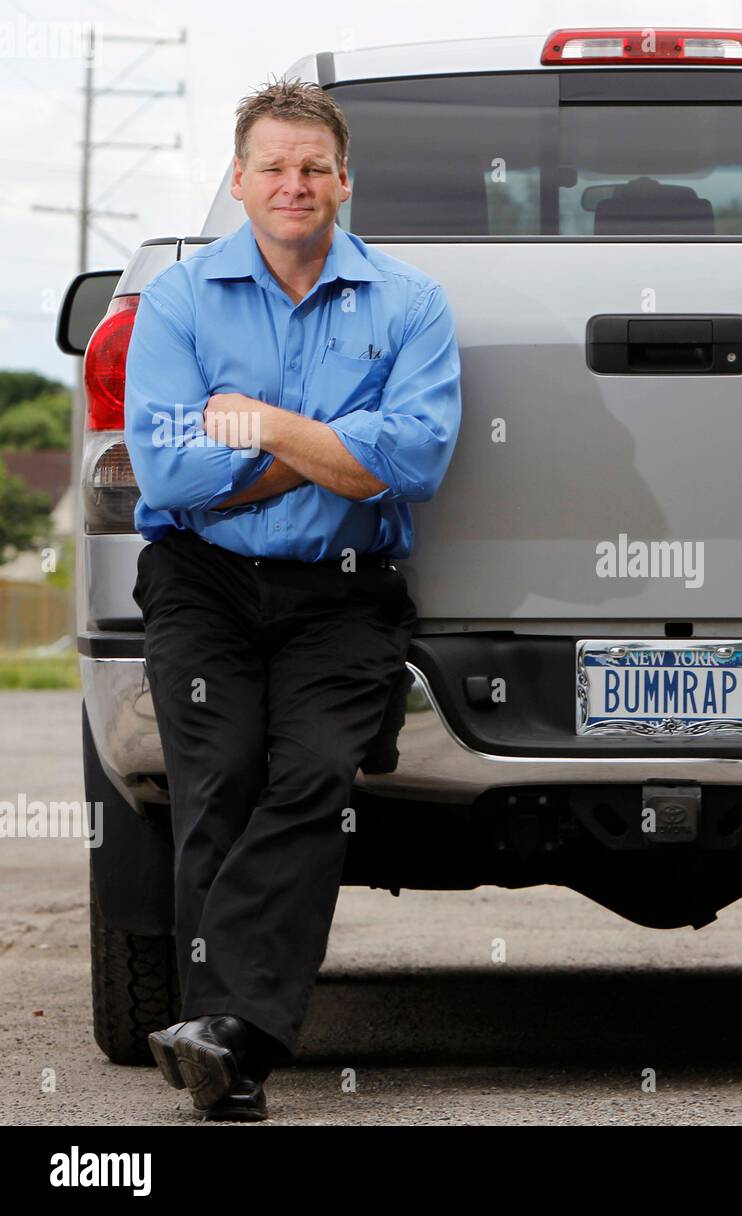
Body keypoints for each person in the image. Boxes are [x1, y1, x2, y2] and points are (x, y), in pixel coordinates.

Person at [122, 76, 461, 1121]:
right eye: (272, 165)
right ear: (239, 180)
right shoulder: (180, 297)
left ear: (344, 181)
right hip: (202, 581)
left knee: (310, 773)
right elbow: (169, 476)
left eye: (313, 166)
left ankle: (220, 1035)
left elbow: (411, 462)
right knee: (214, 780)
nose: (293, 183)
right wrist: (333, 443)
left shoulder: (410, 302)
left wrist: (261, 425)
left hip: (343, 593)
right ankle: (235, 1051)